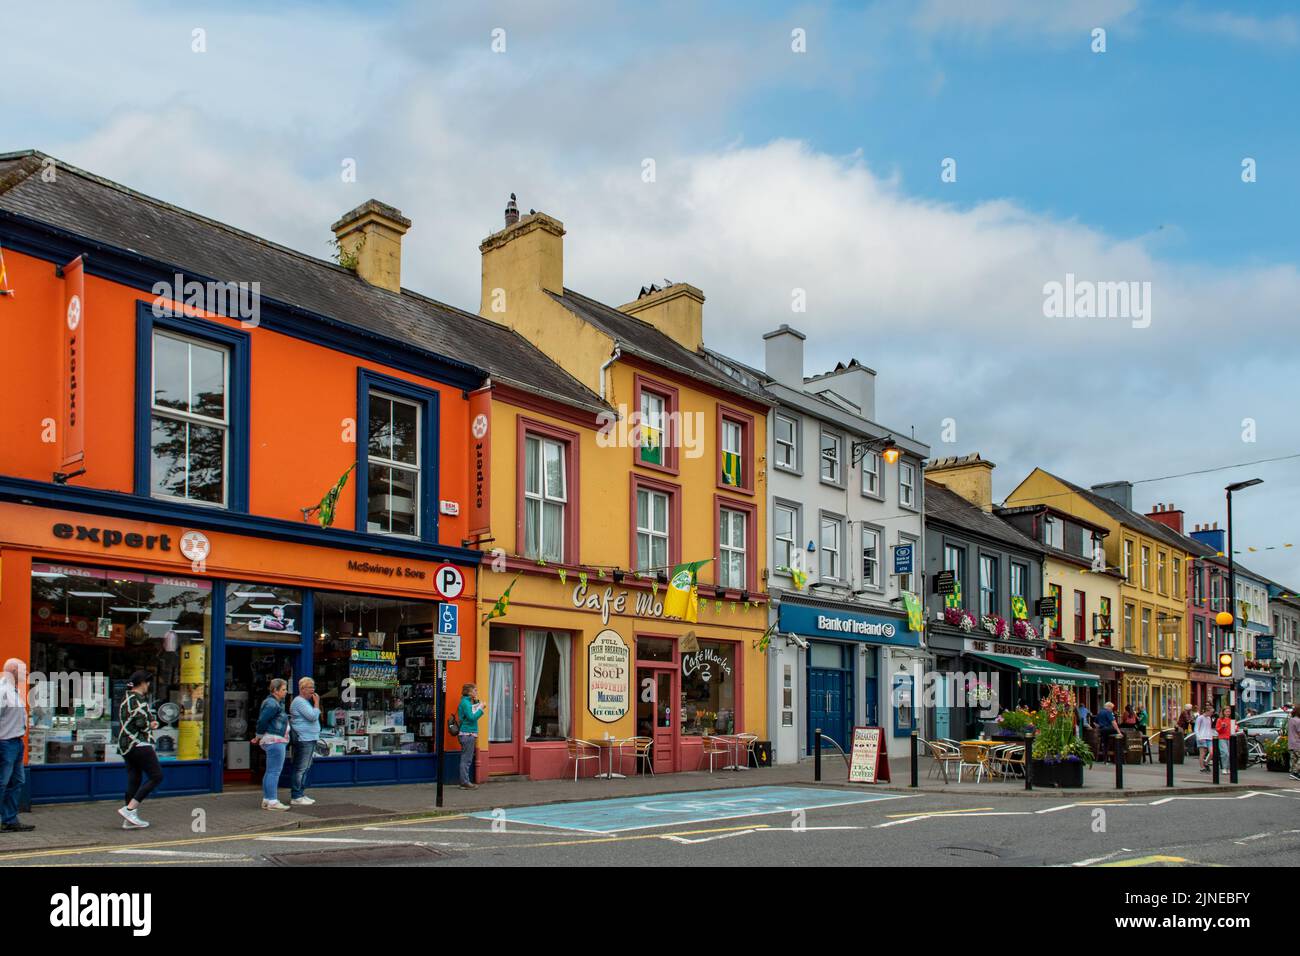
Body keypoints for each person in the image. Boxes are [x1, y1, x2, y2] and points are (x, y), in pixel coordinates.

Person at [117, 671, 164, 829]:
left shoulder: (126, 698)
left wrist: (149, 721)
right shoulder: (138, 700)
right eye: (148, 682)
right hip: (139, 743)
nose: (149, 685)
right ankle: (130, 810)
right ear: (142, 683)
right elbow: (141, 723)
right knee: (156, 776)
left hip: (125, 746)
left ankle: (129, 820)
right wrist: (151, 724)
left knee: (134, 780)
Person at [0, 659, 34, 833]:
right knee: (2, 783)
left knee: (17, 781)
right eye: (24, 670)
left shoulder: (13, 690)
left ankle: (10, 819)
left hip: (16, 742)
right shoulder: (3, 691)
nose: (27, 673)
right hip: (5, 743)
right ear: (13, 670)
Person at [254, 678, 291, 811]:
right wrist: (258, 735)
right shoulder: (272, 703)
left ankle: (267, 799)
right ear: (275, 690)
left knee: (270, 771)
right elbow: (262, 720)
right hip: (275, 740)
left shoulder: (275, 702)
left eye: (286, 689)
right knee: (274, 772)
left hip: (274, 740)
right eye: (283, 689)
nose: (286, 692)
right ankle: (273, 801)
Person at [288, 677, 321, 806]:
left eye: (313, 687)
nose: (312, 690)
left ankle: (300, 793)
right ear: (302, 689)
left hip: (309, 738)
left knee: (304, 768)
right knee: (301, 768)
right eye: (310, 687)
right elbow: (312, 717)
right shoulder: (299, 702)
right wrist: (317, 703)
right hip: (304, 739)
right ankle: (296, 796)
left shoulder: (304, 702)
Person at [456, 683, 485, 790]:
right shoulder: (465, 703)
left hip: (468, 734)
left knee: (466, 759)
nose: (476, 692)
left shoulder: (468, 702)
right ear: (469, 692)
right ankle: (464, 782)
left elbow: (472, 711)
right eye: (475, 690)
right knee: (466, 759)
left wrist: (477, 702)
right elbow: (471, 717)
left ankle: (464, 781)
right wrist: (481, 709)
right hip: (467, 734)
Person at [1194, 703, 1215, 772]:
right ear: (1207, 711)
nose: (1212, 714)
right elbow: (1196, 728)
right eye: (1211, 712)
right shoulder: (1200, 718)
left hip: (1209, 737)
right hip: (1202, 737)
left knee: (1211, 752)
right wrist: (1198, 737)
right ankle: (1202, 767)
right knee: (1202, 753)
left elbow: (1209, 728)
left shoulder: (1209, 718)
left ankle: (1206, 763)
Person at [1215, 705, 1235, 773]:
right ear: (1223, 712)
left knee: (1230, 753)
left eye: (1229, 712)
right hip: (1222, 738)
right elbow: (1217, 730)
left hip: (1230, 738)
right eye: (1226, 712)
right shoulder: (1220, 720)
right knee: (1225, 753)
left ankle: (1229, 767)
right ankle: (1224, 767)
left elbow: (1236, 727)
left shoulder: (1232, 720)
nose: (1228, 713)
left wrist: (1235, 728)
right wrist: (1222, 727)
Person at [1288, 706, 1300, 782]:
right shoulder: (1299, 721)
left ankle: (1293, 773)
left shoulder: (1291, 720)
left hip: (1291, 742)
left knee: (1294, 759)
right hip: (1298, 743)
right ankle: (1295, 773)